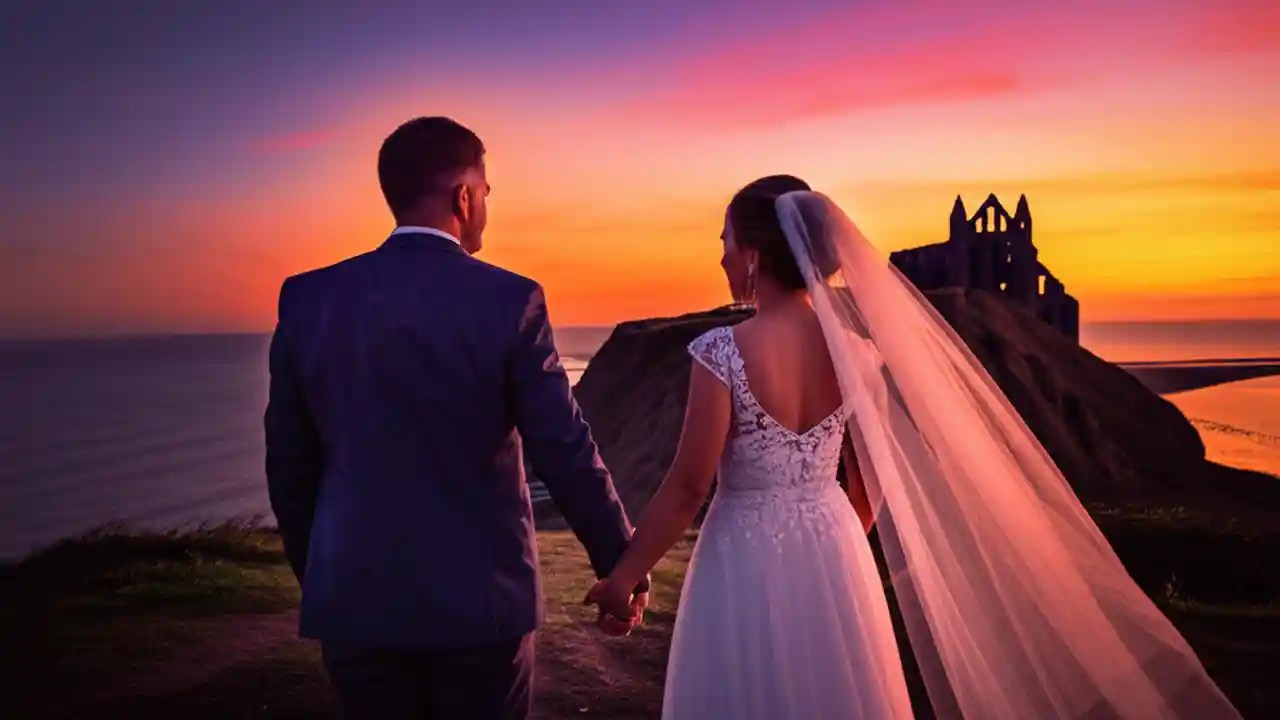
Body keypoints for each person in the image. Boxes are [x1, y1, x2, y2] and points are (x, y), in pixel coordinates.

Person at [587, 179, 1242, 719]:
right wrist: (837, 533)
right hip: (835, 547)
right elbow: (870, 477)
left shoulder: (721, 353)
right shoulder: (858, 356)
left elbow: (687, 486)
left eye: (725, 243)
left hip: (743, 553)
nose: (722, 259)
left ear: (755, 253)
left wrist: (623, 577)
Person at [265, 116, 646, 720]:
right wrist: (621, 564)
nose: (487, 207)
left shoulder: (309, 299)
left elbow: (289, 464)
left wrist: (326, 575)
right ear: (463, 197)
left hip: (356, 604)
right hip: (482, 606)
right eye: (487, 193)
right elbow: (564, 448)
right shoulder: (510, 300)